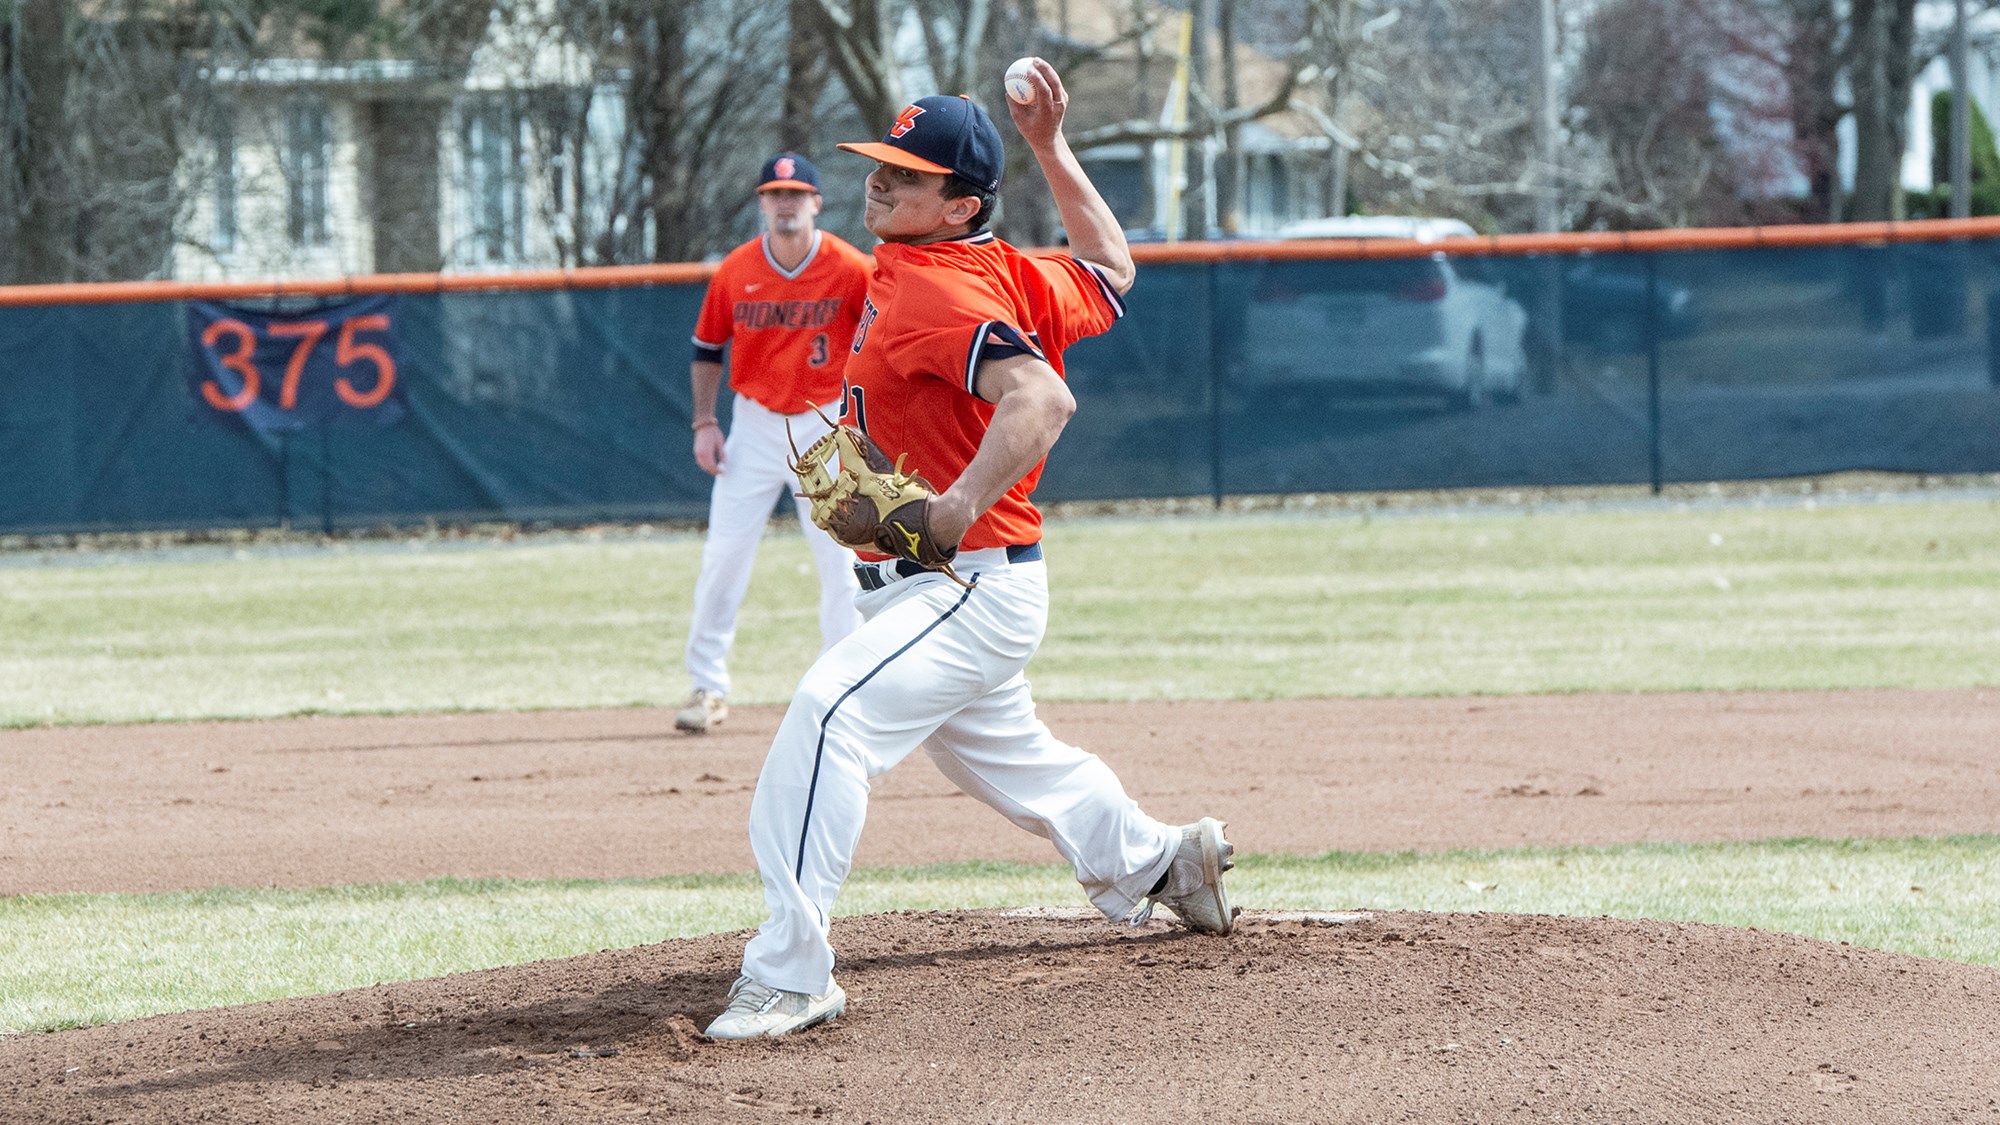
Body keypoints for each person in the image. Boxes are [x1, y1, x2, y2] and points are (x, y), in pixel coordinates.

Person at [704, 66, 1236, 1041]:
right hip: (960, 589)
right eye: (878, 166)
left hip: (962, 584)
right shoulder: (1009, 269)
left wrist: (951, 508)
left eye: (906, 177)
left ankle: (790, 973)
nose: (878, 185)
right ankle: (1165, 861)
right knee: (1017, 759)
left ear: (958, 204)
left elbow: (1041, 400)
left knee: (826, 720)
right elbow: (1112, 266)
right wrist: (1052, 146)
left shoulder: (936, 294)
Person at [677, 152, 871, 734]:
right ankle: (706, 687)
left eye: (795, 194)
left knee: (841, 562)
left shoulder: (852, 268)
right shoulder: (736, 269)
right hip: (756, 424)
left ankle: (848, 690)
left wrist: (867, 428)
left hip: (827, 423)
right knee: (725, 558)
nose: (784, 204)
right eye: (773, 194)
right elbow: (707, 351)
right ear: (762, 203)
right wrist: (704, 423)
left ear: (816, 201)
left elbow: (880, 349)